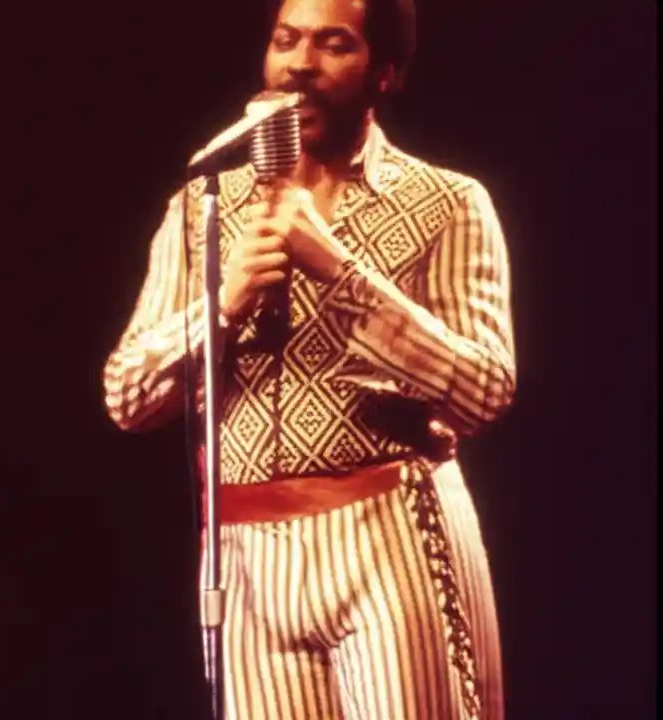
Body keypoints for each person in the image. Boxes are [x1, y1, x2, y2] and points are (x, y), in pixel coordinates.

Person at [103, 0, 514, 718]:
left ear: (385, 73)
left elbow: (484, 392)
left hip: (388, 532)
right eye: (285, 40)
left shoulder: (448, 202)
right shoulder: (203, 207)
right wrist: (220, 304)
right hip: (246, 558)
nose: (299, 64)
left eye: (333, 45)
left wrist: (338, 268)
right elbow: (128, 398)